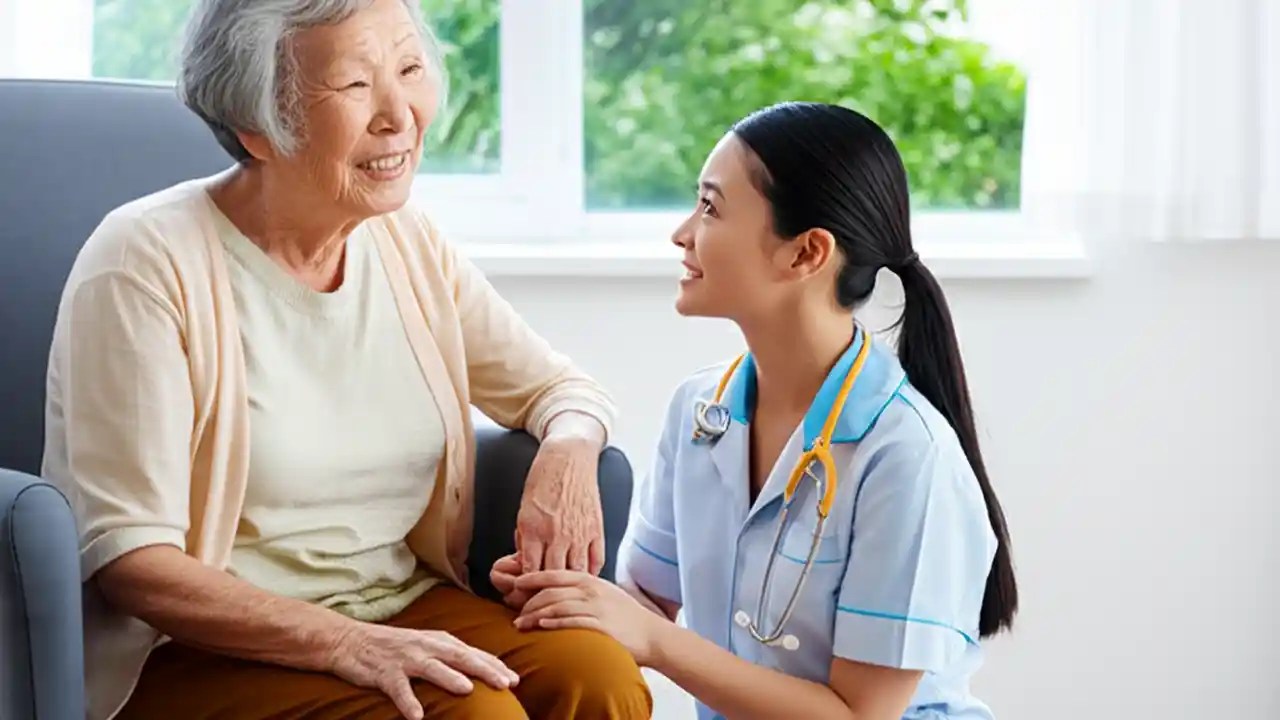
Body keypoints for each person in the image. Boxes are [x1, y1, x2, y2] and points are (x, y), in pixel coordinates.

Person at [40, 1, 651, 719]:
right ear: (255, 128)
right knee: (475, 713)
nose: (401, 115)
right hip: (200, 650)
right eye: (356, 86)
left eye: (410, 69)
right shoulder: (145, 262)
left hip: (397, 604)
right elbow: (132, 565)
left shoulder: (406, 242)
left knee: (597, 675)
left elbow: (561, 388)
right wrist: (343, 642)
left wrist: (569, 453)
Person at [492, 101, 1019, 720]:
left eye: (711, 208)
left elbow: (858, 715)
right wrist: (563, 594)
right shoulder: (699, 413)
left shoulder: (906, 457)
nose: (683, 232)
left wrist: (657, 642)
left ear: (805, 254)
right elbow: (648, 603)